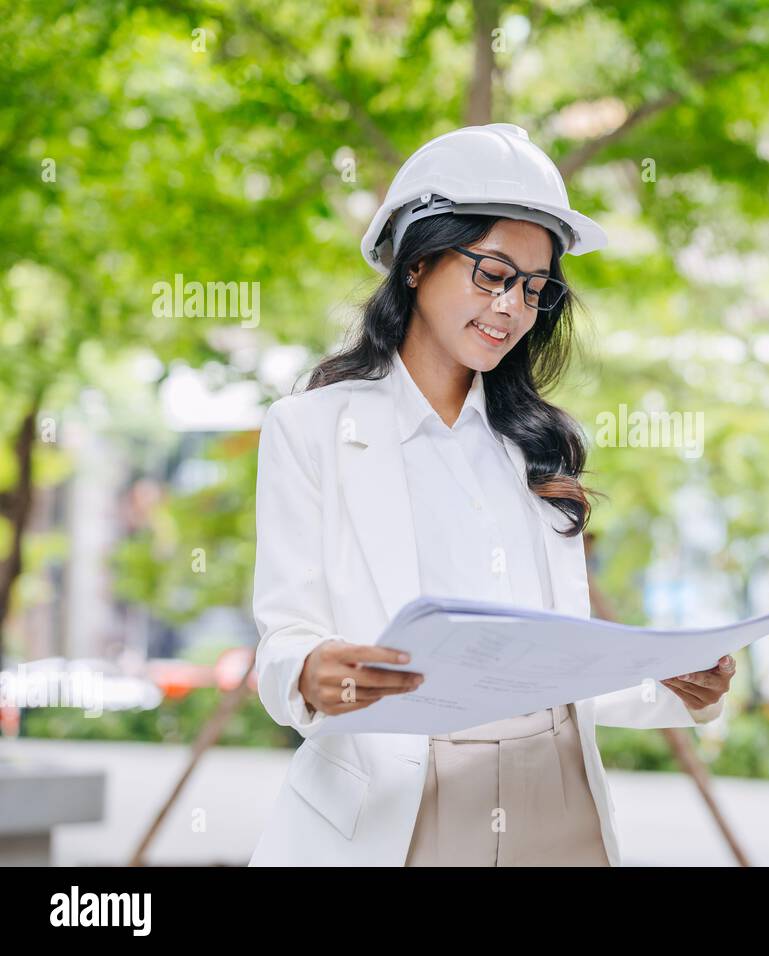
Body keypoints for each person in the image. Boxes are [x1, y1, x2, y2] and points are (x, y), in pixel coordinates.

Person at [248, 123, 734, 867]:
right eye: (492, 273)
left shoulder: (536, 447)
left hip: (558, 792)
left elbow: (552, 660)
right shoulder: (310, 430)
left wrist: (673, 683)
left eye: (536, 288)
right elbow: (284, 639)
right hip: (399, 799)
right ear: (418, 263)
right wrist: (312, 673)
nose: (512, 306)